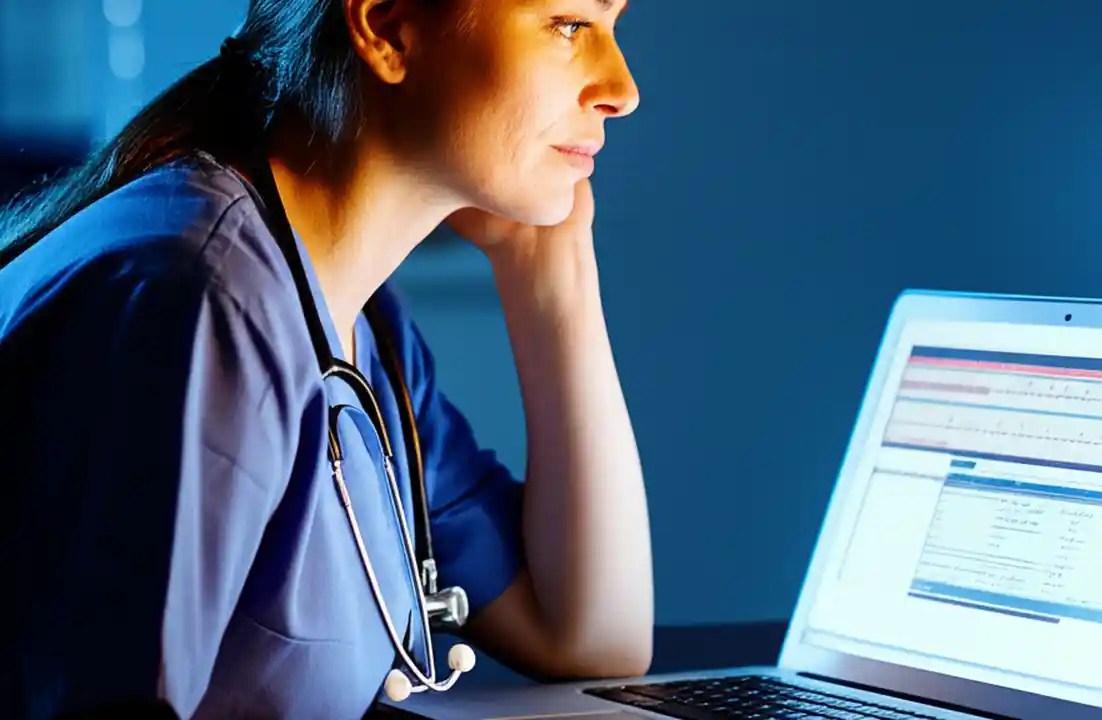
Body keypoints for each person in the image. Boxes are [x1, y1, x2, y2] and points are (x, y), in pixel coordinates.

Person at [0, 0, 650, 717]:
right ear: (388, 28)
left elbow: (590, 637)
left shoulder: (364, 328)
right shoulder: (205, 304)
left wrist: (554, 276)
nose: (622, 90)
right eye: (570, 24)